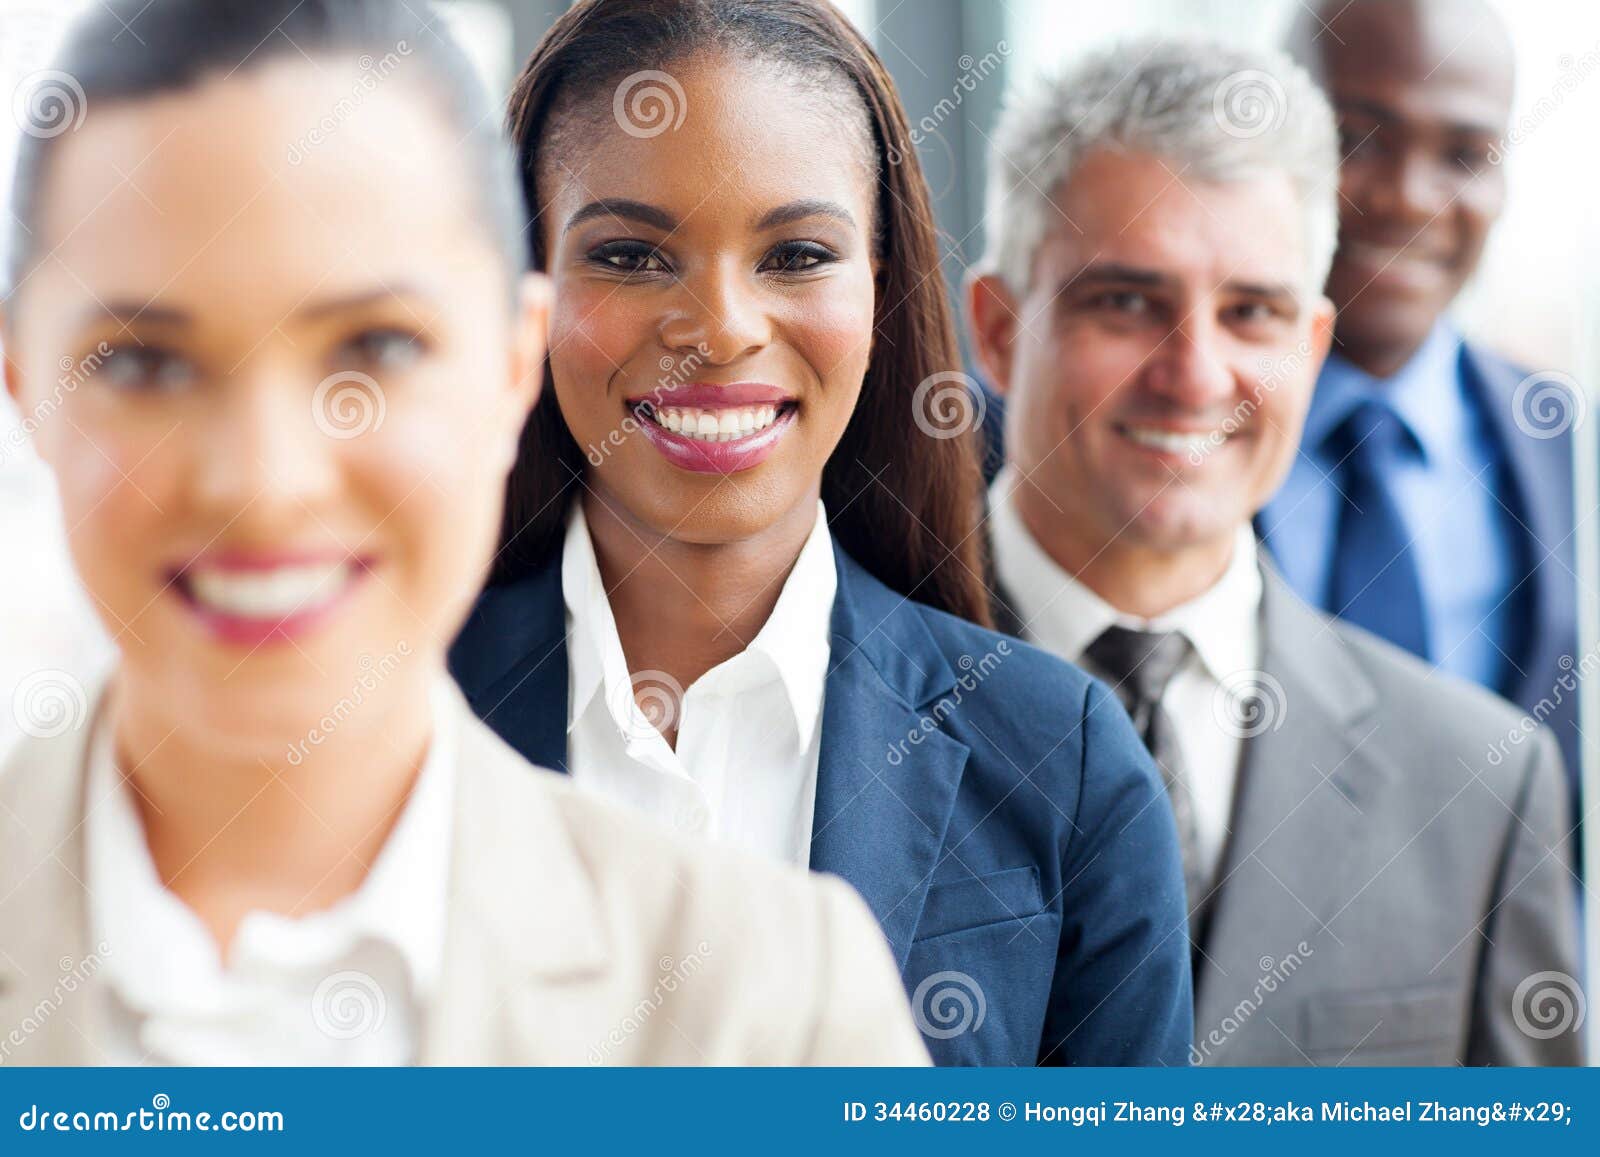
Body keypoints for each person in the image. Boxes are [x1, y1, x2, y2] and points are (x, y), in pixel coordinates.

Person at [0, 0, 929, 1067]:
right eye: (146, 362)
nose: (265, 485)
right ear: (25, 380)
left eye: (376, 346)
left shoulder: (771, 1002)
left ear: (508, 365)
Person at [448, 0, 1192, 1066]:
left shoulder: (1063, 772)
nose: (720, 327)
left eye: (795, 254)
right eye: (629, 254)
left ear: (882, 289)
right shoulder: (375, 716)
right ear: (526, 289)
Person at [967, 39, 1581, 1065]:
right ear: (995, 330)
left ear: (1308, 345)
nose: (1194, 374)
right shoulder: (817, 692)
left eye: (1251, 311)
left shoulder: (1479, 783)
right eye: (1126, 301)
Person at [1262, 0, 1581, 790]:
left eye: (1466, 155)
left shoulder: (1570, 446)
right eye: (1353, 139)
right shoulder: (1177, 415)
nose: (1408, 197)